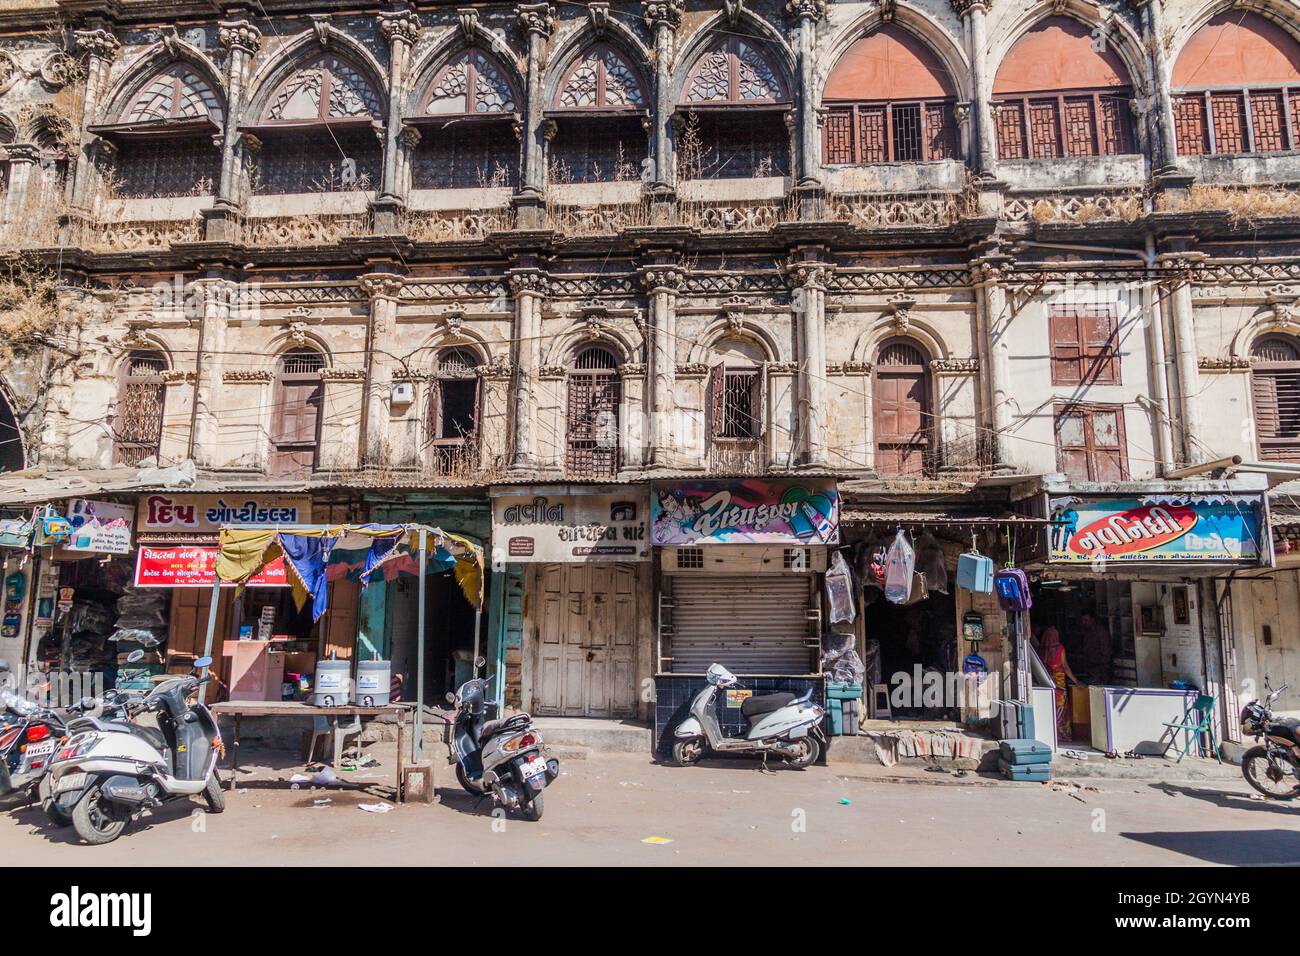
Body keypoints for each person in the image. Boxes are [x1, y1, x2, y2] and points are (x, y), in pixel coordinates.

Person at [1037, 626, 1077, 742]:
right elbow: (1065, 667)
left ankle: (1049, 733)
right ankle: (1061, 734)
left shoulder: (1041, 649)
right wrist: (1076, 681)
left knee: (1049, 709)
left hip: (1046, 685)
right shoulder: (1060, 649)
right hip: (1059, 686)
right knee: (1061, 710)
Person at [1080, 609, 1113, 683]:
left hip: (1100, 670)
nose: (1083, 622)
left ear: (1092, 620)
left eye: (1086, 620)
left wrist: (1101, 669)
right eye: (1082, 620)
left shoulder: (1101, 632)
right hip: (1091, 668)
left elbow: (1106, 652)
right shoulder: (1086, 632)